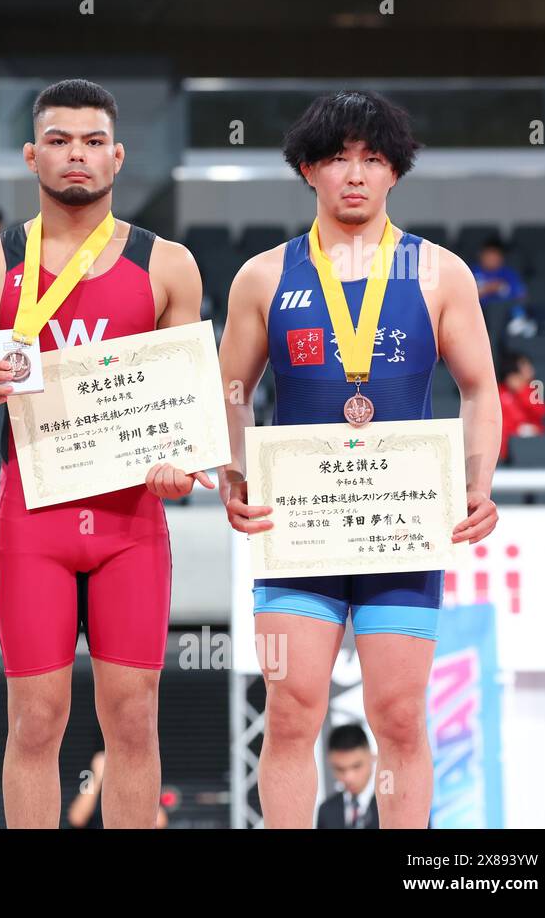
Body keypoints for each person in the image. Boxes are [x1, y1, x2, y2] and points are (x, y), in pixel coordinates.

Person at [217, 90, 500, 828]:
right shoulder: (263, 277)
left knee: (401, 718)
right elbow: (230, 391)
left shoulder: (441, 274)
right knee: (289, 714)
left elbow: (480, 389)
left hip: (400, 530)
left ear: (394, 174)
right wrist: (233, 476)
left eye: (372, 159)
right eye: (337, 157)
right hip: (299, 529)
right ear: (307, 169)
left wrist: (477, 483)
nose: (355, 173)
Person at [0, 79, 206, 829]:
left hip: (131, 523)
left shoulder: (168, 266)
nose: (75, 155)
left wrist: (183, 464)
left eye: (91, 142)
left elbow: (186, 406)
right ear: (31, 155)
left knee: (133, 719)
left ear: (117, 155)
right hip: (34, 520)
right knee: (35, 720)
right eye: (58, 140)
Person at [316, 724, 379, 829]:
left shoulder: (392, 804)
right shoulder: (326, 811)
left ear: (373, 758)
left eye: (356, 766)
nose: (349, 778)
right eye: (340, 769)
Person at [497, 352, 545, 462]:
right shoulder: (498, 392)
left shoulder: (535, 389)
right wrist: (518, 430)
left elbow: (540, 413)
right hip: (506, 452)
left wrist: (521, 391)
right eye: (524, 365)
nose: (530, 369)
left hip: (533, 447)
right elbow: (501, 425)